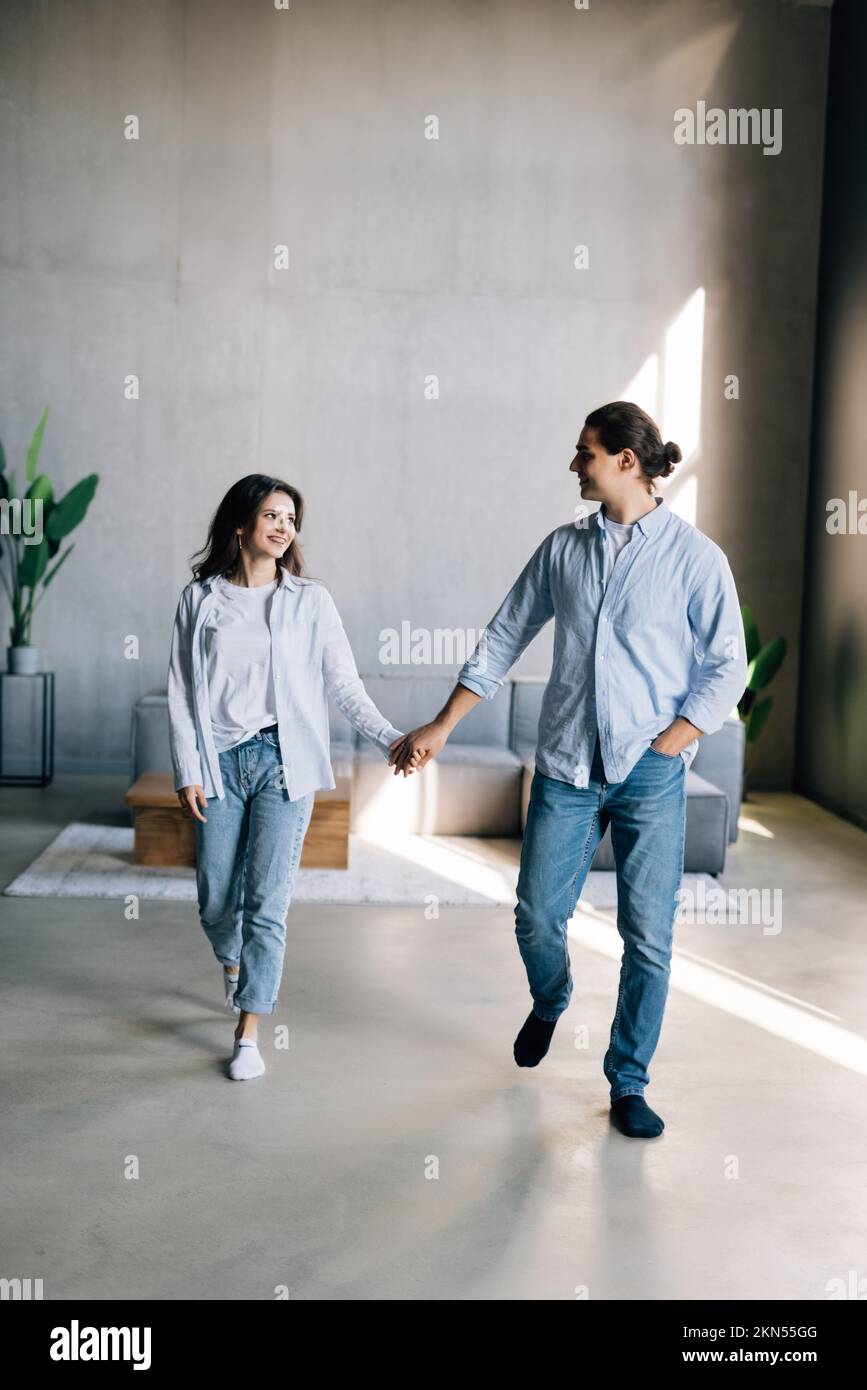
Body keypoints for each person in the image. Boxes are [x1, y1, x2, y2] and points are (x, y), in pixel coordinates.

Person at [388, 402, 748, 1138]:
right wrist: (442, 725)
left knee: (647, 936)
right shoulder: (561, 550)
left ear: (625, 461)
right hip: (564, 766)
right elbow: (501, 640)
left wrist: (672, 742)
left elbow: (727, 666)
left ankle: (627, 1082)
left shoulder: (694, 558)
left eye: (584, 452)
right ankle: (550, 999)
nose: (573, 465)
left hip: (651, 770)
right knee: (535, 917)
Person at [167, 474, 418, 1081]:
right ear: (240, 523)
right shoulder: (199, 599)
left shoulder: (310, 601)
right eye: (273, 516)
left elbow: (344, 685)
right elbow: (180, 689)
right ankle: (233, 964)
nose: (284, 528)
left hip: (286, 763)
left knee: (268, 902)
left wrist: (391, 737)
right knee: (215, 899)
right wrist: (187, 769)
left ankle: (249, 1029)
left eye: (291, 519)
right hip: (219, 762)